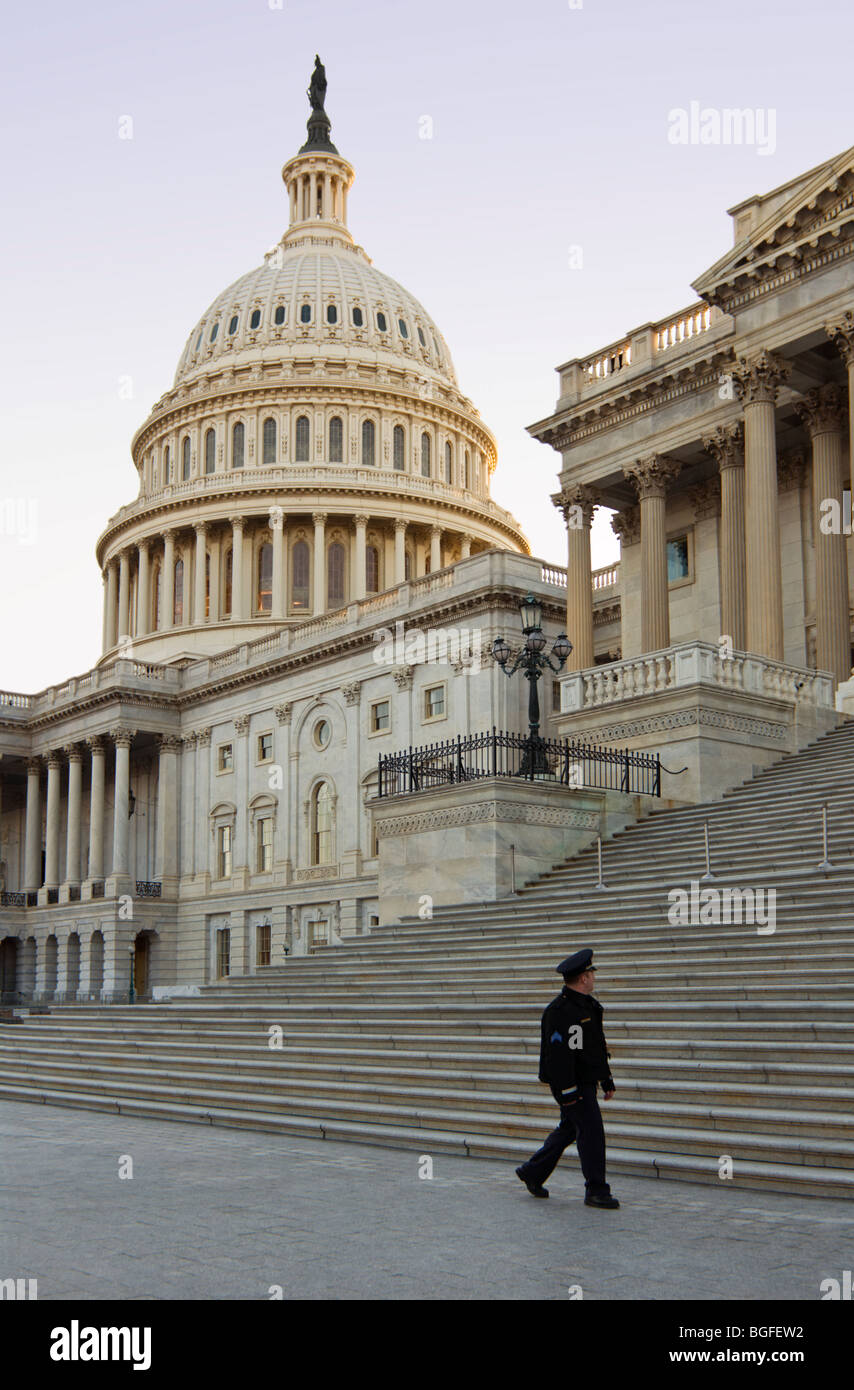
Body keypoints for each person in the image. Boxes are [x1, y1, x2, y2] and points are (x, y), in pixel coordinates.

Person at [515, 947, 619, 1209]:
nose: (594, 977)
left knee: (570, 1128)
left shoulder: (589, 1006)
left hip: (586, 1082)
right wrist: (569, 1091)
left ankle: (533, 1171)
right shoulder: (560, 1012)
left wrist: (606, 1079)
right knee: (592, 1133)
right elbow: (559, 1056)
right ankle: (596, 1190)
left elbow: (596, 1048)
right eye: (591, 973)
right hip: (573, 1085)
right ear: (583, 978)